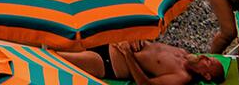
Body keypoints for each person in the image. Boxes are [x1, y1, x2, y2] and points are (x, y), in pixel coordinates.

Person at [60, 41, 226, 85]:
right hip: (109, 41)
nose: (205, 57)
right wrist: (135, 37)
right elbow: (150, 46)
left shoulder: (181, 77)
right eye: (209, 56)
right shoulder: (183, 53)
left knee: (54, 57)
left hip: (107, 63)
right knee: (48, 40)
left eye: (209, 61)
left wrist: (127, 54)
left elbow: (145, 84)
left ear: (206, 75)